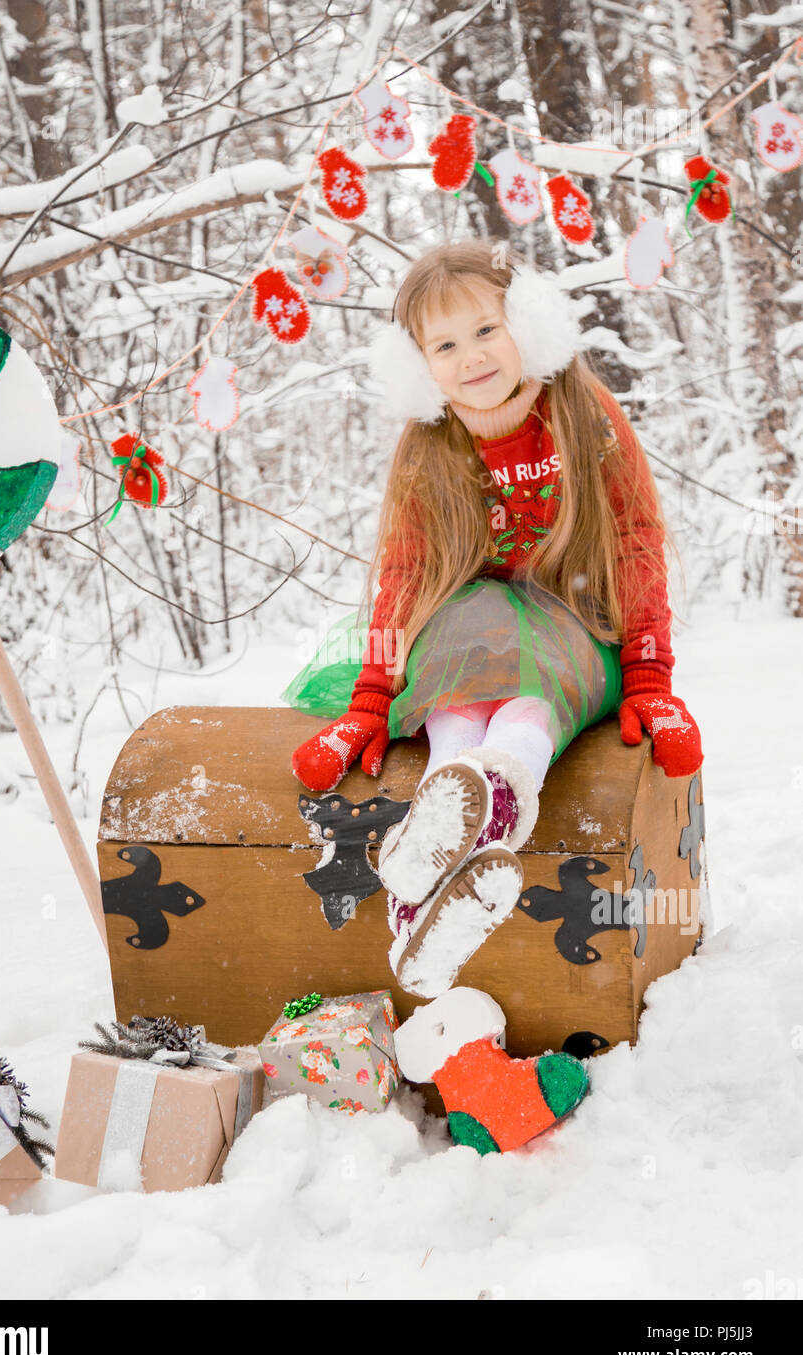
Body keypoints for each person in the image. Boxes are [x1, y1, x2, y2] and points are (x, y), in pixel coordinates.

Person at [282, 238, 703, 1000]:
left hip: (573, 626)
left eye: (486, 329)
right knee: (466, 641)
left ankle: (495, 801)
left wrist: (650, 674)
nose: (472, 357)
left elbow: (637, 538)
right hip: (467, 635)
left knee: (527, 672)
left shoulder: (580, 410)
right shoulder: (429, 446)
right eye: (444, 345)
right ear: (419, 364)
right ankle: (433, 877)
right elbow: (405, 577)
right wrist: (372, 697)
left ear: (525, 324)